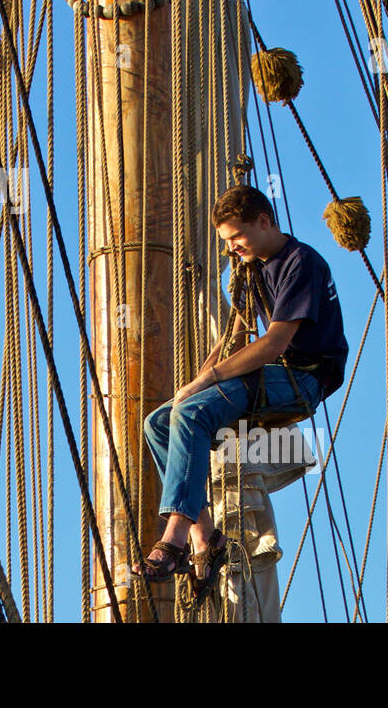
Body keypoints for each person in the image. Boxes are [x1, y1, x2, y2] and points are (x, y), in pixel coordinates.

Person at [130, 184, 349, 595]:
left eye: (236, 237)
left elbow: (273, 344)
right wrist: (195, 381)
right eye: (226, 242)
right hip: (270, 374)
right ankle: (206, 537)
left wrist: (208, 383)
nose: (232, 248)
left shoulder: (301, 262)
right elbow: (234, 335)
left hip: (303, 378)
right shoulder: (251, 269)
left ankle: (174, 536)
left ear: (264, 222)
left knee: (192, 415)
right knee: (158, 423)